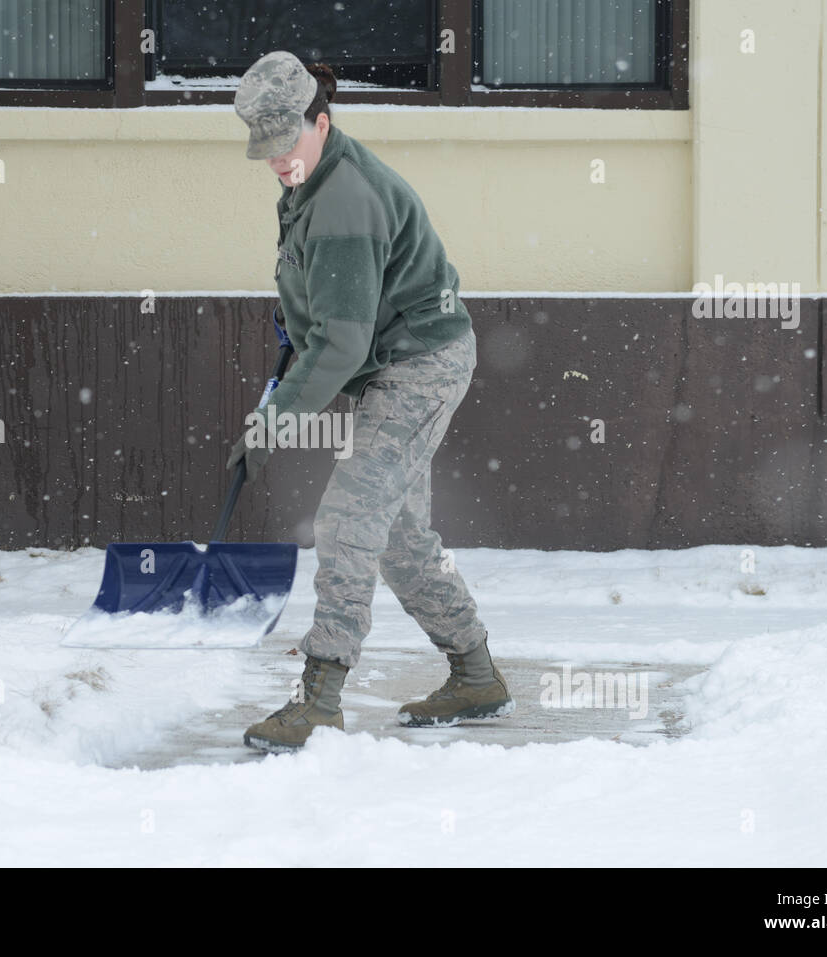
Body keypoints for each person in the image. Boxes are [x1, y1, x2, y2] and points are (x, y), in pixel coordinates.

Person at [229, 51, 512, 752]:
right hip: (394, 360)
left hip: (421, 362)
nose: (279, 162)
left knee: (351, 514)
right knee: (395, 531)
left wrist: (276, 420)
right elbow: (324, 313)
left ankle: (319, 697)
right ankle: (475, 673)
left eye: (287, 145)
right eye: (267, 153)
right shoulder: (309, 183)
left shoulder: (345, 198)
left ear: (320, 123)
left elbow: (344, 347)